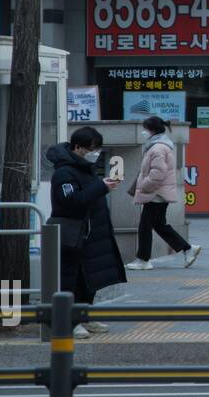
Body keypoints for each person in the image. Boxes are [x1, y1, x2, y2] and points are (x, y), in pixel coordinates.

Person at [47, 126, 126, 339]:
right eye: (92, 149)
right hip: (73, 234)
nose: (96, 153)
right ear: (78, 147)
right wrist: (101, 187)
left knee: (87, 279)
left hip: (90, 233)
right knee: (70, 278)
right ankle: (70, 322)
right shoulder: (64, 172)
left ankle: (83, 317)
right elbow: (72, 201)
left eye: (98, 149)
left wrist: (102, 186)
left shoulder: (85, 168)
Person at [127, 116, 200, 271]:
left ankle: (143, 260)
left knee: (145, 226)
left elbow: (157, 173)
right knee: (159, 225)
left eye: (145, 129)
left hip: (155, 193)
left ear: (151, 130)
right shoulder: (160, 145)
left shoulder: (157, 148)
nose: (143, 132)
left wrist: (144, 187)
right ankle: (188, 249)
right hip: (159, 192)